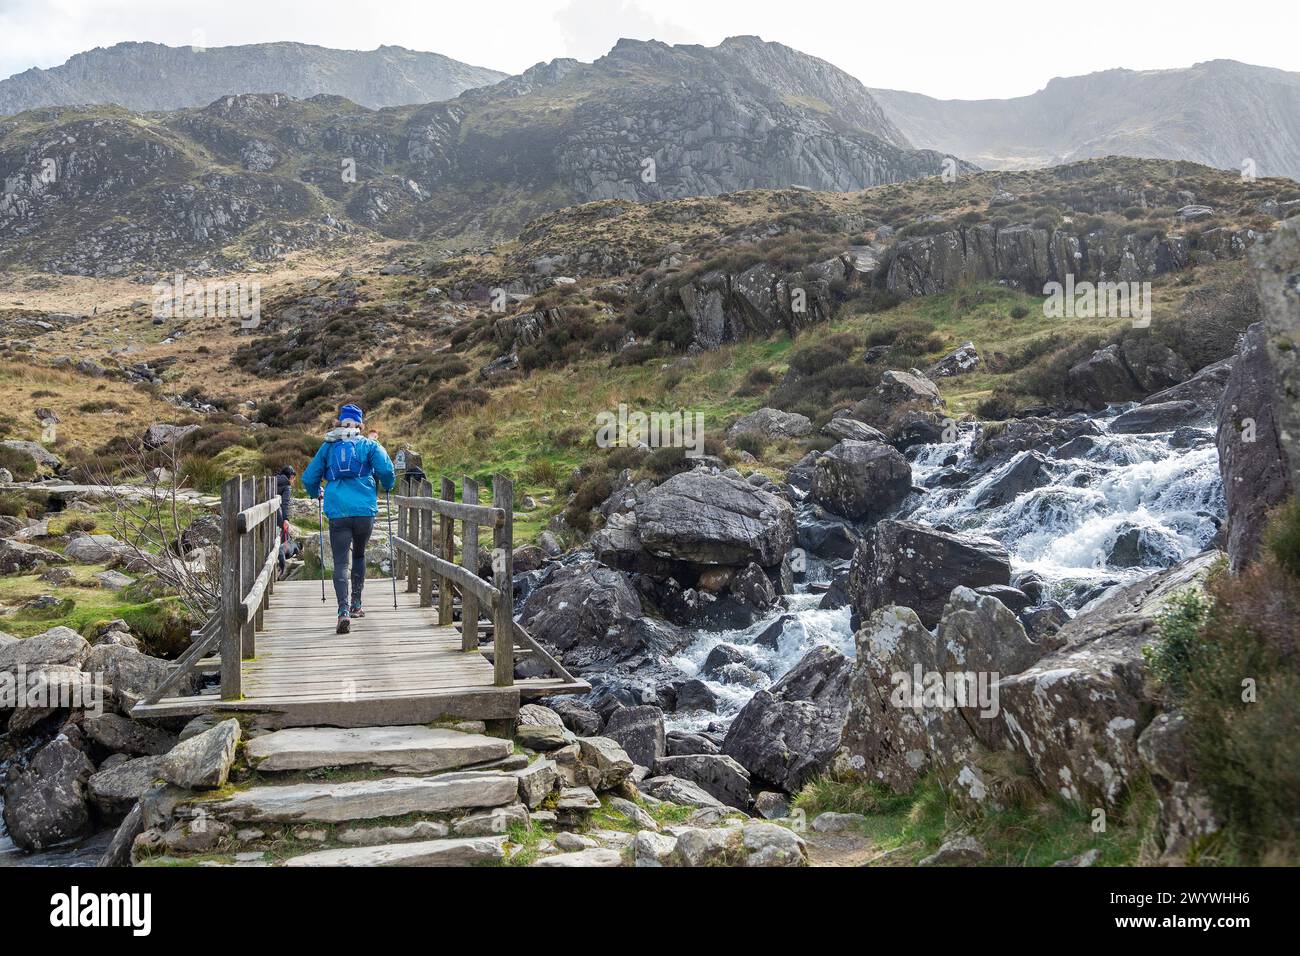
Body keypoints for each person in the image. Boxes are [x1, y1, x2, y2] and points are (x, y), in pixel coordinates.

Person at [301, 404, 396, 634]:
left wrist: (316, 493)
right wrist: (388, 485)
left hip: (338, 511)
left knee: (341, 561)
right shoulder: (368, 445)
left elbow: (308, 477)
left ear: (340, 423)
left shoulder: (328, 447)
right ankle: (356, 605)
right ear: (359, 425)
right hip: (364, 510)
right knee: (360, 554)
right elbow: (386, 469)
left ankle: (343, 611)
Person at [275, 466, 296, 579]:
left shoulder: (273, 479)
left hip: (262, 511)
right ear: (291, 477)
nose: (293, 481)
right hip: (274, 512)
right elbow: (285, 504)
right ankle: (280, 565)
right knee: (283, 535)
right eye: (293, 478)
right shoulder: (287, 485)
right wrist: (286, 519)